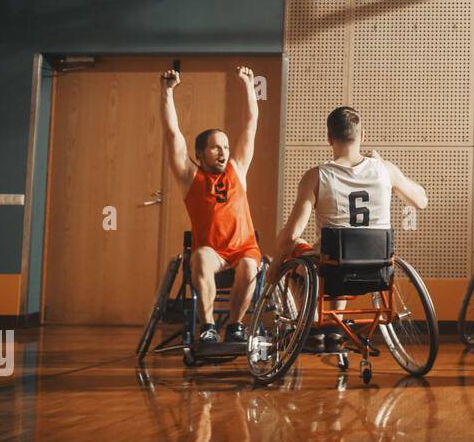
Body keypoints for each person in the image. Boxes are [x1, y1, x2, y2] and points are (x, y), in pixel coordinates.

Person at [275, 106, 428, 352]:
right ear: (362, 135)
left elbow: (292, 234)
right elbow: (421, 201)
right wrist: (391, 174)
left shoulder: (317, 176)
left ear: (328, 138)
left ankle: (314, 324)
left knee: (301, 250)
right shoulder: (384, 169)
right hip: (378, 271)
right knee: (338, 254)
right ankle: (334, 330)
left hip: (333, 272)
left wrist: (273, 270)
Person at [161, 67, 261, 345]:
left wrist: (248, 85)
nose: (223, 152)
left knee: (250, 267)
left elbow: (251, 123)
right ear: (200, 153)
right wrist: (167, 92)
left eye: (226, 147)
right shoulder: (190, 177)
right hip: (212, 252)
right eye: (216, 147)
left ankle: (235, 326)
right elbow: (172, 135)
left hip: (243, 249)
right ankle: (207, 327)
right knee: (200, 256)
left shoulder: (238, 169)